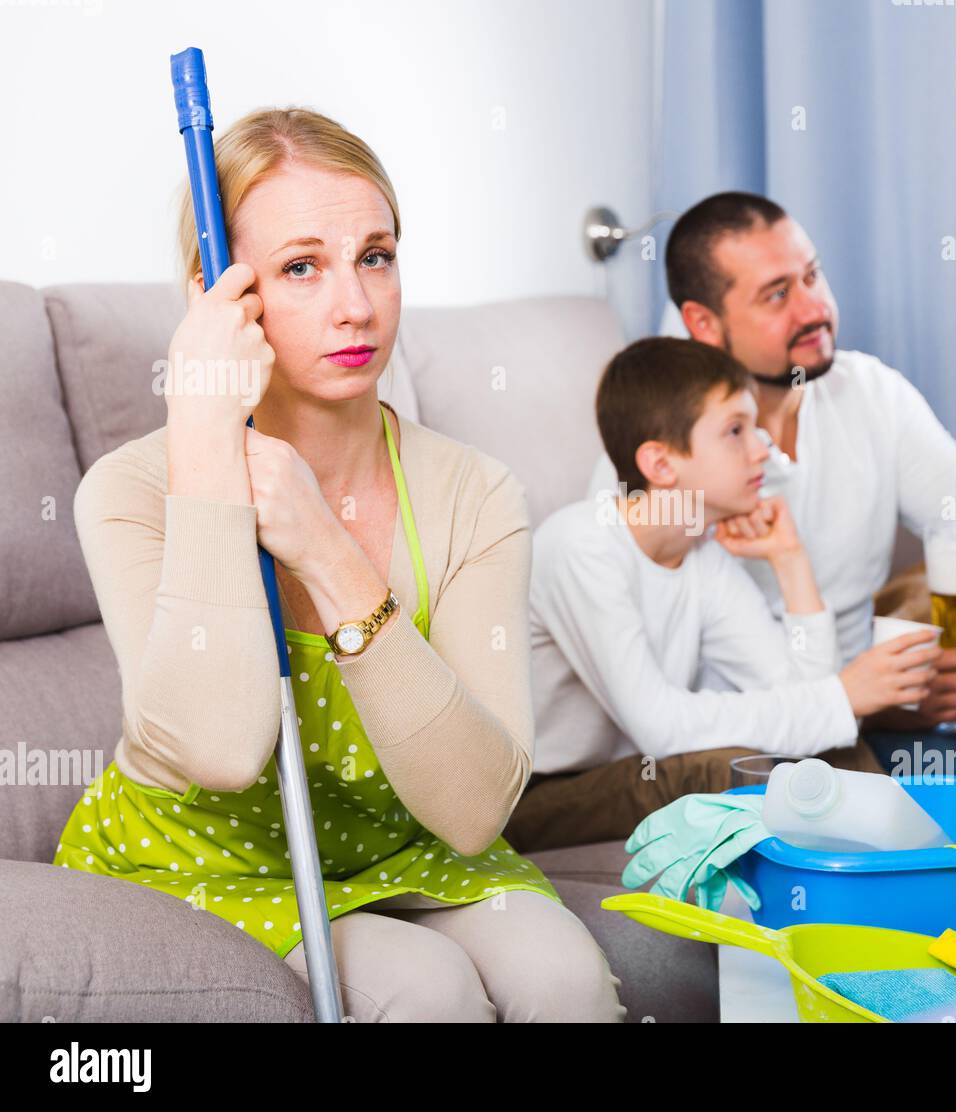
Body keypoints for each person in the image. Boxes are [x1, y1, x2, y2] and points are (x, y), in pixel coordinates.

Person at [52, 107, 624, 1022]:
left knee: (564, 977)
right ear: (220, 295)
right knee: (426, 989)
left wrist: (323, 547)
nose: (355, 305)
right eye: (301, 267)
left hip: (406, 846)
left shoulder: (476, 494)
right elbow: (221, 751)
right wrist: (205, 447)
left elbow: (477, 808)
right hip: (206, 857)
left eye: (376, 256)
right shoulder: (127, 492)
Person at [587, 192, 956, 807]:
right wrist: (866, 706)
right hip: (767, 730)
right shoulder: (654, 469)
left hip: (862, 688)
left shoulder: (867, 393)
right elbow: (661, 697)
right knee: (943, 771)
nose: (816, 308)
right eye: (777, 294)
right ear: (704, 323)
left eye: (812, 275)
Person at [505, 337, 942, 851]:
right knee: (722, 769)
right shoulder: (581, 545)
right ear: (662, 465)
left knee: (820, 763)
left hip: (638, 769)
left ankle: (912, 879)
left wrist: (790, 559)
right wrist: (840, 697)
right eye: (736, 431)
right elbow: (661, 730)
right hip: (536, 796)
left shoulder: (702, 554)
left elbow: (810, 701)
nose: (762, 447)